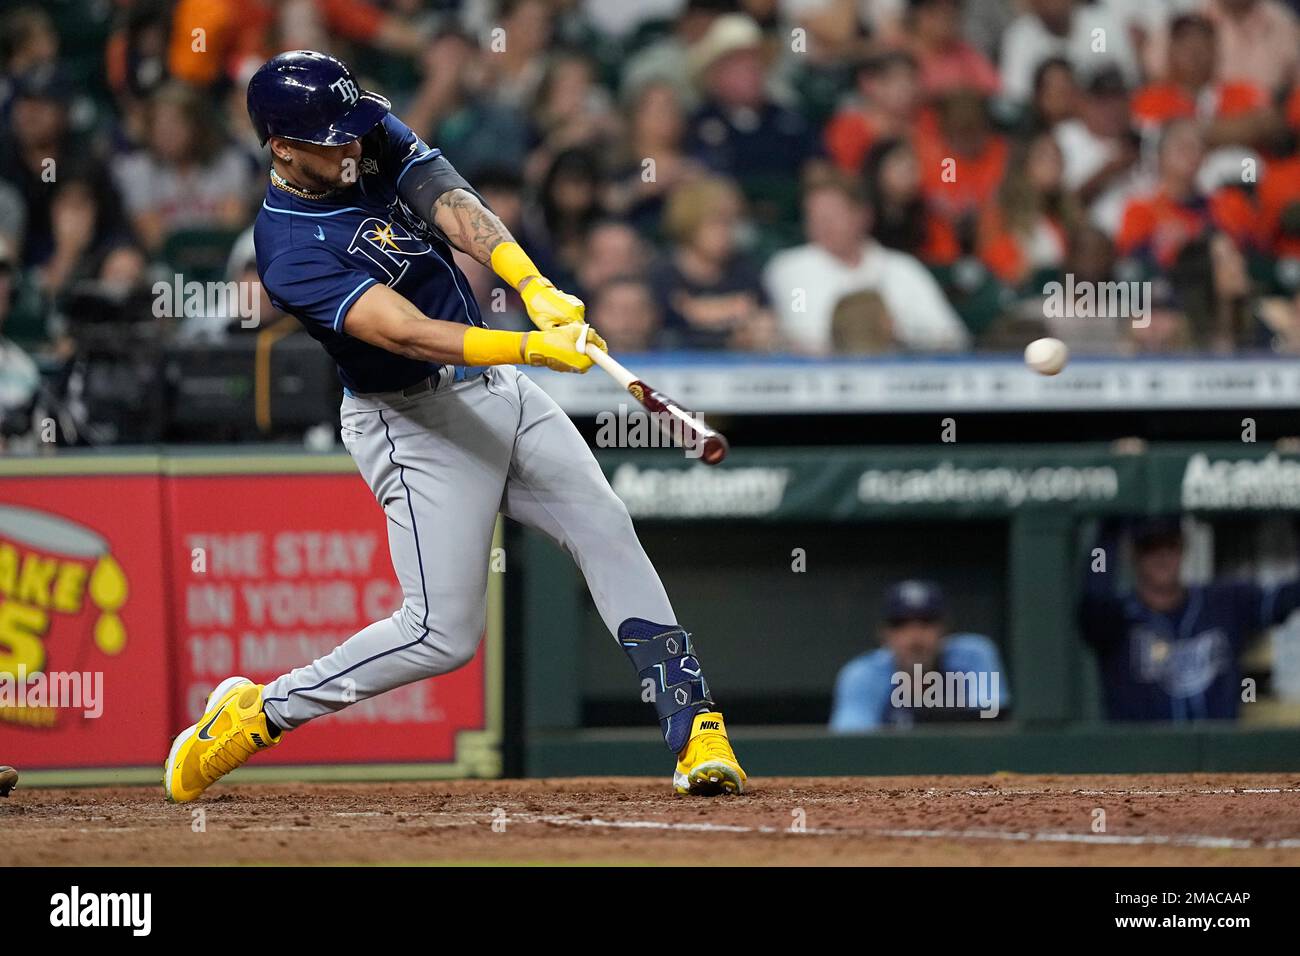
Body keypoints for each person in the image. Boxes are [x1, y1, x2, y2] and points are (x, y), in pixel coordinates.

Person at [163, 51, 746, 803]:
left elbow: (448, 197)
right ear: (281, 147)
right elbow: (405, 331)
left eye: (352, 131)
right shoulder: (286, 249)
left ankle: (694, 726)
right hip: (412, 422)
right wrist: (535, 346)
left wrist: (533, 285)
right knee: (440, 635)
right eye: (330, 140)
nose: (351, 146)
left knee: (604, 523)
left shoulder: (361, 134)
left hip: (493, 385)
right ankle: (258, 713)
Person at [1080, 517, 1300, 721]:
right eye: (1150, 546)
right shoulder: (1116, 617)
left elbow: (1286, 599)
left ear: (1183, 545)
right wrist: (1108, 534)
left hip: (1219, 758)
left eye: (1170, 544)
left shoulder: (1225, 602)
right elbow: (1094, 595)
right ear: (1133, 553)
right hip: (1144, 759)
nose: (1162, 555)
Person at [763, 172, 968, 354]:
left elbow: (951, 336)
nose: (822, 223)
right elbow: (803, 332)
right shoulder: (791, 268)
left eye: (833, 215)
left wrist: (899, 335)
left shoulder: (902, 269)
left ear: (863, 215)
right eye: (814, 216)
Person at [830, 580, 1008, 732]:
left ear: (944, 628)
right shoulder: (863, 674)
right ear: (883, 634)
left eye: (926, 622)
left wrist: (922, 706)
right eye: (900, 624)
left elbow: (991, 722)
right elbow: (850, 742)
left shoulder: (974, 654)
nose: (914, 637)